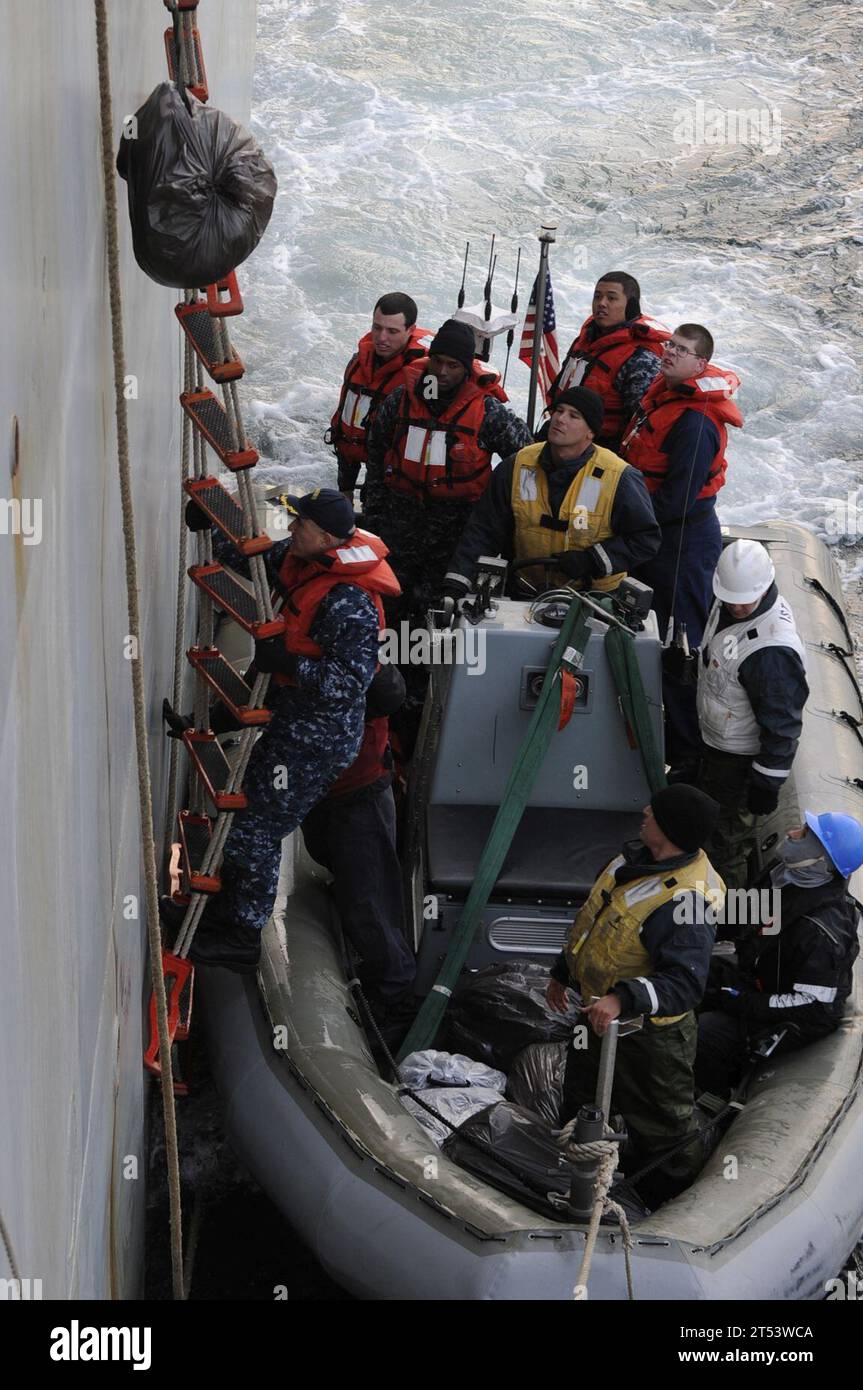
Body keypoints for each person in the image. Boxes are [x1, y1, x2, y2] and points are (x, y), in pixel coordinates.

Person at [166, 488, 400, 972]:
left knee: (255, 828)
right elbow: (250, 558)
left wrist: (288, 662)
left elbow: (349, 683)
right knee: (245, 815)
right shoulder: (302, 559)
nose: (291, 529)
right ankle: (226, 912)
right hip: (292, 720)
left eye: (302, 525)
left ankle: (242, 937)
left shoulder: (349, 601)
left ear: (329, 537)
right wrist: (207, 523)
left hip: (319, 738)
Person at [548, 785, 725, 1207]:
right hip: (597, 1015)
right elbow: (595, 925)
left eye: (656, 811)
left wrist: (623, 1000)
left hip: (651, 1042)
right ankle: (570, 1175)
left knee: (663, 1128)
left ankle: (664, 1206)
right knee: (581, 1100)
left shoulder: (686, 901)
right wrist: (563, 974)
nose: (644, 811)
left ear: (672, 830)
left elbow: (684, 982)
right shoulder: (630, 862)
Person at [620, 323, 743, 769]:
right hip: (655, 537)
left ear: (700, 364)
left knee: (680, 649)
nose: (670, 353)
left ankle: (688, 756)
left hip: (681, 544)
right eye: (670, 345)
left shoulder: (695, 422)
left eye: (683, 350)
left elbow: (676, 499)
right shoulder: (663, 397)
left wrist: (623, 519)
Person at [364, 317, 533, 623]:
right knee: (387, 603)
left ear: (466, 368)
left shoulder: (488, 413)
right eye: (438, 362)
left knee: (436, 614)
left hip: (454, 532)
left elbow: (524, 460)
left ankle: (421, 669)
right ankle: (387, 664)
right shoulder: (401, 401)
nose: (442, 372)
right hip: (400, 522)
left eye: (453, 365)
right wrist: (374, 509)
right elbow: (376, 451)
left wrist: (497, 522)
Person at [695, 812, 863, 1097]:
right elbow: (743, 912)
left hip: (785, 1016)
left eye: (806, 835)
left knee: (705, 1034)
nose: (793, 833)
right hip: (757, 979)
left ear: (822, 859)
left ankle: (711, 1101)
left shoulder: (819, 931)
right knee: (691, 975)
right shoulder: (787, 878)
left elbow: (814, 1006)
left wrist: (744, 1002)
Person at [443, 386, 661, 600]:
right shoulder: (517, 466)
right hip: (524, 594)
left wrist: (592, 560)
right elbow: (484, 530)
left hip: (594, 601)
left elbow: (644, 538)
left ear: (591, 432)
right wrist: (457, 583)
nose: (560, 419)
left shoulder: (619, 477)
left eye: (574, 416)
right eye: (559, 410)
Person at [299, 662, 417, 1045]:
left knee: (368, 903)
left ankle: (392, 1004)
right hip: (332, 785)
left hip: (358, 790)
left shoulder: (349, 625)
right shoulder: (313, 616)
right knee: (354, 885)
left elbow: (388, 690)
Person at [695, 539, 809, 889]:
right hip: (718, 744)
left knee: (726, 843)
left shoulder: (771, 651)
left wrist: (766, 782)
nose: (737, 606)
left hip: (739, 760)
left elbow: (782, 726)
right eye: (731, 598)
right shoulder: (730, 602)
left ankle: (724, 919)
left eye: (745, 600)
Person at [546, 272, 670, 450]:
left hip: (601, 450)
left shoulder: (641, 357)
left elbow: (638, 424)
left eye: (611, 298)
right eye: (597, 297)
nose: (601, 303)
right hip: (562, 436)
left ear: (631, 306)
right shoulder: (586, 339)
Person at [328, 292, 431, 506]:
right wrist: (345, 489)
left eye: (392, 331)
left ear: (410, 330)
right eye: (377, 327)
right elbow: (345, 421)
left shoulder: (424, 379)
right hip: (355, 454)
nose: (381, 338)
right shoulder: (358, 362)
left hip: (392, 477)